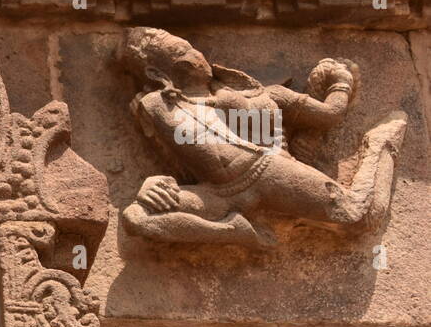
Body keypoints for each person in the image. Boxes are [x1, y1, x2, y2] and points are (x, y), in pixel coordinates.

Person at [119, 28, 402, 248]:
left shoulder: (263, 97)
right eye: (181, 51)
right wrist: (153, 183)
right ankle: (236, 233)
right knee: (135, 217)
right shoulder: (156, 106)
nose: (196, 55)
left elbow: (329, 114)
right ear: (156, 72)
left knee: (358, 215)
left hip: (268, 171)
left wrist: (340, 80)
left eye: (192, 47)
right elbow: (174, 162)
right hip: (220, 193)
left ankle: (382, 144)